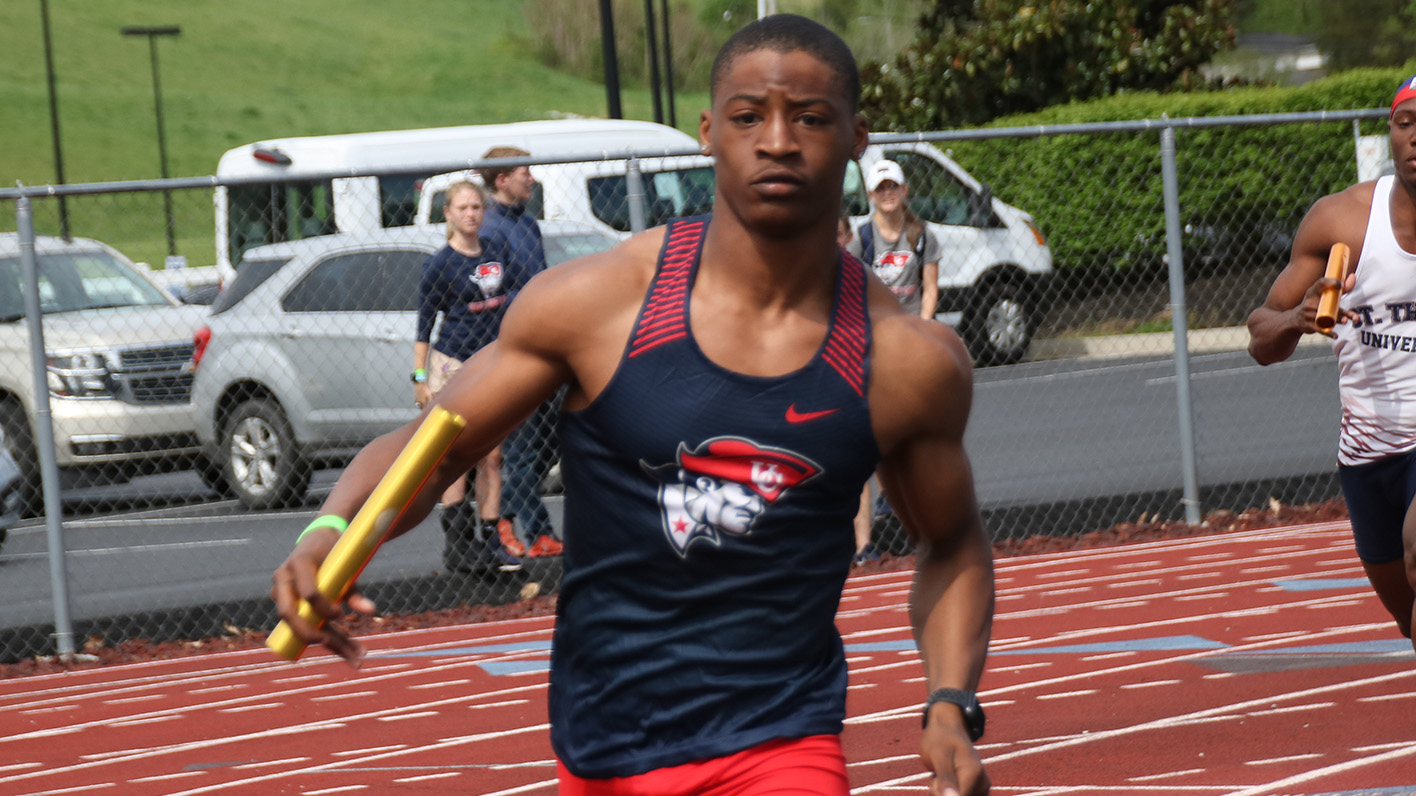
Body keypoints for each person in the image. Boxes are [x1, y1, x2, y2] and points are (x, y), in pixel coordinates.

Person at [272, 14, 993, 796]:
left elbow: (952, 544)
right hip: (604, 746)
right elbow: (436, 445)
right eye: (750, 117)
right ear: (710, 133)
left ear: (857, 138)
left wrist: (950, 703)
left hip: (781, 742)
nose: (779, 141)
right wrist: (328, 532)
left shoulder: (909, 363)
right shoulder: (596, 304)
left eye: (811, 118)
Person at [1246, 74, 1416, 652]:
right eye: (1405, 123)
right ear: (1390, 133)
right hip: (1368, 455)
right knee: (1408, 615)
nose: (1415, 137)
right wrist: (1298, 319)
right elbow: (1260, 337)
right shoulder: (1341, 221)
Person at [412, 180, 522, 576]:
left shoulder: (496, 251)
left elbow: (507, 303)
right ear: (449, 214)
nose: (471, 214)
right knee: (457, 456)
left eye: (477, 207)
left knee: (492, 457)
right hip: (453, 366)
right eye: (463, 208)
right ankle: (458, 546)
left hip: (491, 363)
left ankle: (491, 541)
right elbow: (425, 326)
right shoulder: (440, 264)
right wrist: (420, 378)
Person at [847, 159, 946, 564]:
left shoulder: (922, 236)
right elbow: (852, 290)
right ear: (871, 195)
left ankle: (921, 526)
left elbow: (930, 286)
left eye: (894, 187)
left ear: (905, 191)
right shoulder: (862, 239)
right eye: (880, 188)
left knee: (917, 430)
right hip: (875, 343)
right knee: (871, 434)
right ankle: (864, 542)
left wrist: (921, 330)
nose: (888, 194)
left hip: (912, 338)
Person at [478, 145, 564, 559]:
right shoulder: (490, 231)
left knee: (548, 444)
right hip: (513, 353)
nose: (531, 178)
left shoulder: (527, 225)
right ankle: (537, 532)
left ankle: (509, 515)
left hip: (545, 346)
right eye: (524, 172)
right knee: (524, 447)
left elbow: (541, 281)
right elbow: (493, 296)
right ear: (502, 179)